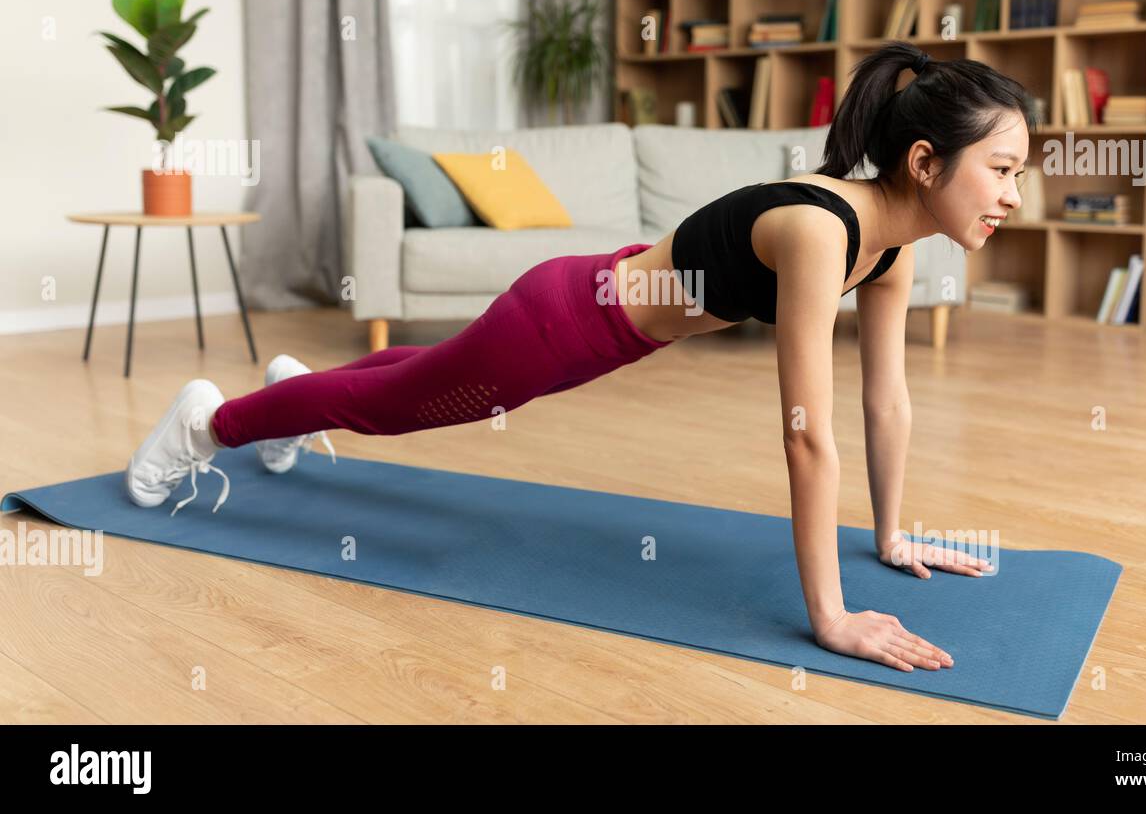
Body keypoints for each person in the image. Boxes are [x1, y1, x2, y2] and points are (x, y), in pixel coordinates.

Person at [125, 39, 1034, 673]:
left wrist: (889, 534)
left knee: (412, 379)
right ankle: (210, 424)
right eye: (1000, 170)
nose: (1013, 196)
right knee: (398, 408)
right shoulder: (818, 230)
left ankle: (300, 391)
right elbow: (807, 436)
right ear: (923, 161)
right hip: (560, 326)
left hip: (593, 314)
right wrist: (830, 619)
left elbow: (887, 401)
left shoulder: (892, 244)